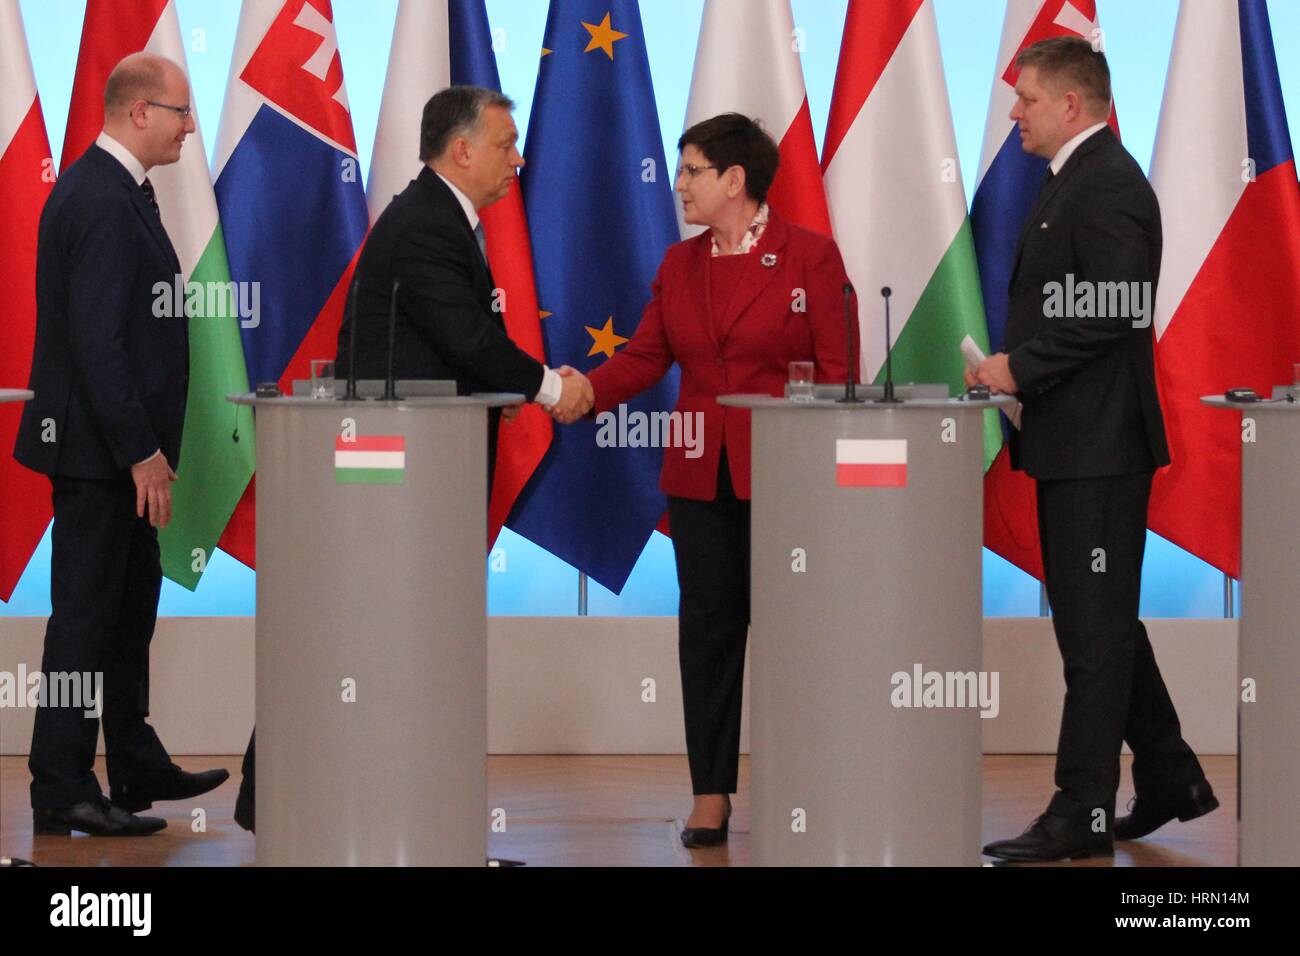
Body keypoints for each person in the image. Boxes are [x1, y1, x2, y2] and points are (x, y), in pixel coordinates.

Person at [233, 86, 592, 831]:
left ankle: (323, 795)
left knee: (361, 631)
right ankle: (284, 795)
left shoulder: (438, 217)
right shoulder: (429, 224)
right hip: (393, 483)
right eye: (505, 144)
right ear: (461, 150)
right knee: (351, 631)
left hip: (413, 479)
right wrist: (553, 387)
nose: (517, 158)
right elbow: (470, 342)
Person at [552, 113, 856, 847]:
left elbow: (841, 375)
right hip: (699, 477)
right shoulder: (678, 265)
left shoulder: (811, 258)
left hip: (787, 483)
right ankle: (711, 794)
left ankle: (807, 784)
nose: (679, 183)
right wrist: (584, 389)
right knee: (709, 634)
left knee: (797, 636)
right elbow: (647, 357)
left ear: (734, 180)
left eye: (691, 170)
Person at [973, 37, 1217, 863]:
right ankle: (1171, 774)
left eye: (1028, 100)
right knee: (1100, 623)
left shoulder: (1107, 182)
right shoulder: (1077, 179)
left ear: (1071, 106)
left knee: (1093, 635)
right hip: (1076, 441)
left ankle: (1081, 809)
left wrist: (1020, 366)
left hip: (1101, 447)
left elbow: (1116, 307)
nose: (1016, 114)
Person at [14, 53, 229, 837]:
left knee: (128, 611)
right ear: (140, 112)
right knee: (84, 621)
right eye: (180, 111)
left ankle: (133, 763)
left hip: (121, 455)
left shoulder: (115, 191)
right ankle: (61, 785)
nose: (190, 126)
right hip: (101, 457)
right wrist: (140, 451)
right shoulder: (101, 200)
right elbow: (98, 343)